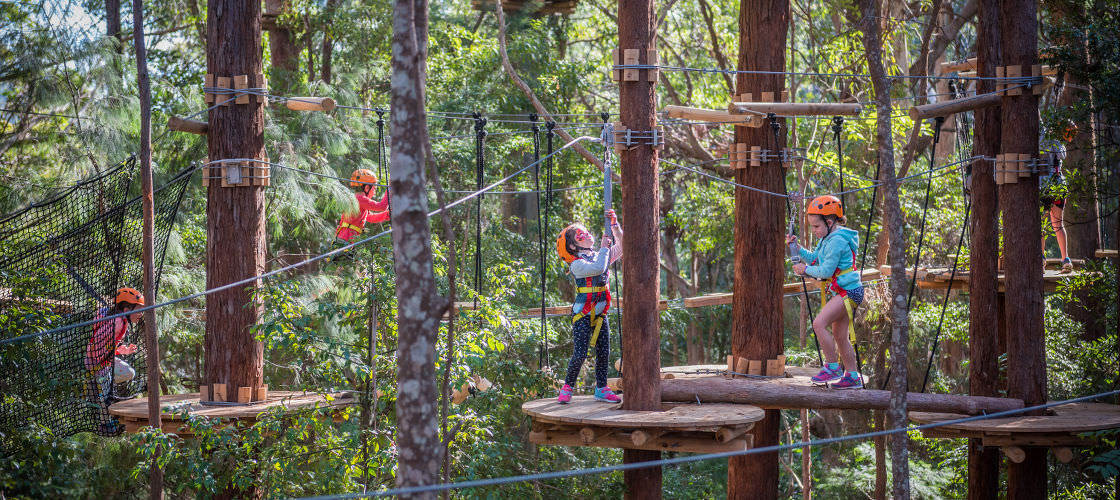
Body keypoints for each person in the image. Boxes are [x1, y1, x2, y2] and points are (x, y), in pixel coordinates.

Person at [787, 195, 864, 390]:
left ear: (829, 222)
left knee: (819, 324)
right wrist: (797, 247)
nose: (814, 231)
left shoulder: (836, 240)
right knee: (839, 335)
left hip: (849, 291)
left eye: (816, 227)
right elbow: (814, 259)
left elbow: (826, 272)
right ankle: (852, 376)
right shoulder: (828, 237)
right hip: (846, 291)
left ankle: (832, 367)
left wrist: (804, 270)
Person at [555, 210, 623, 404]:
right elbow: (598, 268)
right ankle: (568, 386)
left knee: (604, 351)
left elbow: (623, 246)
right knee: (581, 352)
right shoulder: (577, 264)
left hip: (601, 314)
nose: (586, 234)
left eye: (584, 231)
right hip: (583, 315)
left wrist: (615, 227)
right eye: (580, 234)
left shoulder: (599, 255)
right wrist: (604, 247)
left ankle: (601, 387)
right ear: (572, 246)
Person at [85, 287, 143, 403]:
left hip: (104, 361)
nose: (141, 314)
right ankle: (97, 382)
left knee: (129, 373)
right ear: (127, 310)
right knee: (105, 400)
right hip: (98, 364)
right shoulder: (117, 322)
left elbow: (107, 344)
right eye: (139, 310)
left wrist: (122, 350)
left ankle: (100, 383)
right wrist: (98, 364)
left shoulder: (120, 320)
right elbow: (97, 341)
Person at [1040, 125, 1073, 273]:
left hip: (1045, 186)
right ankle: (1065, 259)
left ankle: (1041, 258)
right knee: (1058, 225)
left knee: (1042, 225)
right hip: (1059, 185)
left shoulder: (1042, 140)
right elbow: (1061, 156)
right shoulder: (1060, 145)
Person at [335, 169, 390, 244]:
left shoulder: (358, 199)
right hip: (346, 237)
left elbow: (370, 217)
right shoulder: (360, 199)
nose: (374, 192)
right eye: (374, 189)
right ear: (367, 188)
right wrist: (390, 189)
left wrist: (387, 214)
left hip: (346, 237)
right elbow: (382, 207)